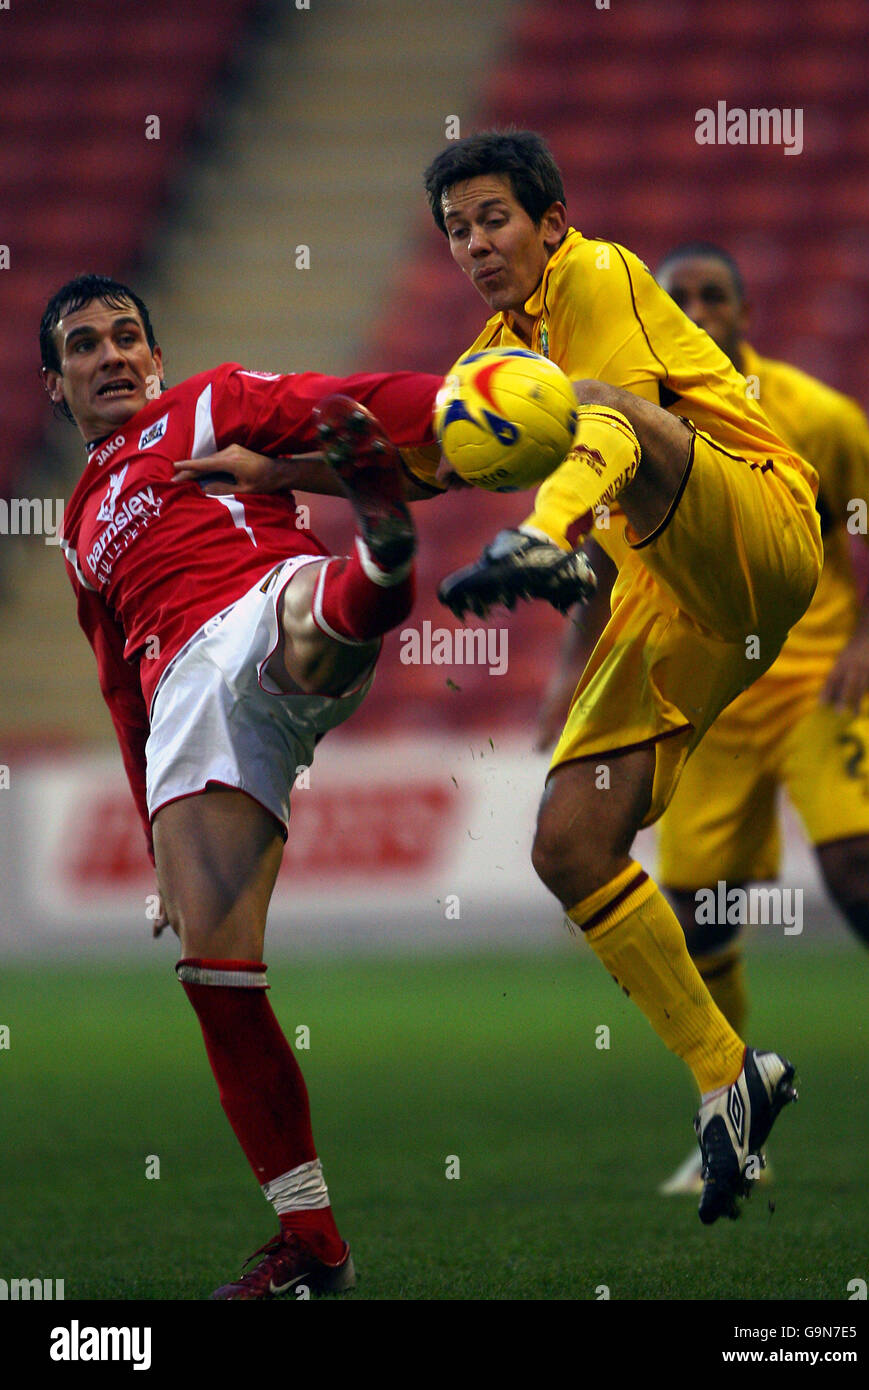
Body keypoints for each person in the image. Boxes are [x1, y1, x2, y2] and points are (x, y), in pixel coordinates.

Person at [420, 130, 824, 1224]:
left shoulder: (594, 273)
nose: (475, 243)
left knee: (601, 398)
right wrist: (283, 462)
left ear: (549, 219)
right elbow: (426, 449)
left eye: (493, 217)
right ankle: (725, 1074)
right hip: (670, 593)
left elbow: (614, 421)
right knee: (569, 843)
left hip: (760, 517)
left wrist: (544, 529)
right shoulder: (496, 354)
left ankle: (533, 538)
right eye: (456, 230)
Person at [43, 273, 444, 1299]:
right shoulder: (79, 527)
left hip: (259, 597)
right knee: (217, 977)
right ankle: (313, 1246)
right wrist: (151, 838)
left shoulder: (207, 402)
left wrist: (454, 408)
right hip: (183, 703)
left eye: (128, 336)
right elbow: (115, 689)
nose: (113, 355)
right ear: (56, 384)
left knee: (299, 627)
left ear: (158, 357)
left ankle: (377, 563)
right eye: (86, 345)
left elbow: (341, 397)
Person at [647, 244, 869, 1191]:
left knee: (859, 879)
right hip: (705, 701)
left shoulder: (815, 416)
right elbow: (605, 572)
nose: (699, 309)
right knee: (697, 921)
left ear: (745, 313)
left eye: (715, 294)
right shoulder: (639, 426)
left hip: (809, 689)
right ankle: (731, 1123)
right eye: (679, 299)